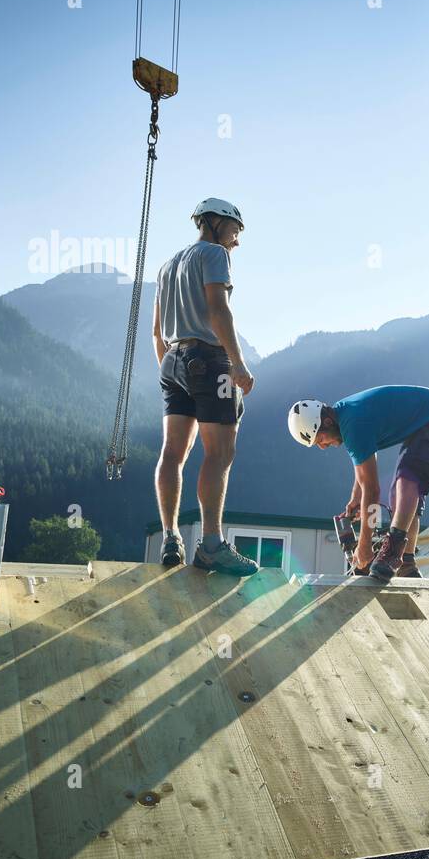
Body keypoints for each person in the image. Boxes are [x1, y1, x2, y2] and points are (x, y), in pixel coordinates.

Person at [152, 198, 258, 576]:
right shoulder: (213, 254)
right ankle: (211, 544)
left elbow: (156, 330)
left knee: (172, 452)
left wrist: (171, 370)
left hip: (172, 360)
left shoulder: (167, 266)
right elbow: (219, 310)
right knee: (220, 453)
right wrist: (238, 364)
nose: (236, 241)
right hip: (210, 362)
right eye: (235, 230)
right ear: (214, 223)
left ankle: (170, 536)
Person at [287, 386, 429, 581]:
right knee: (401, 494)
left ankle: (393, 552)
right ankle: (406, 564)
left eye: (320, 438)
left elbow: (372, 491)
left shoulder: (353, 425)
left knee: (407, 479)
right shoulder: (345, 416)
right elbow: (365, 469)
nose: (322, 446)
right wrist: (356, 496)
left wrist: (364, 547)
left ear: (327, 422)